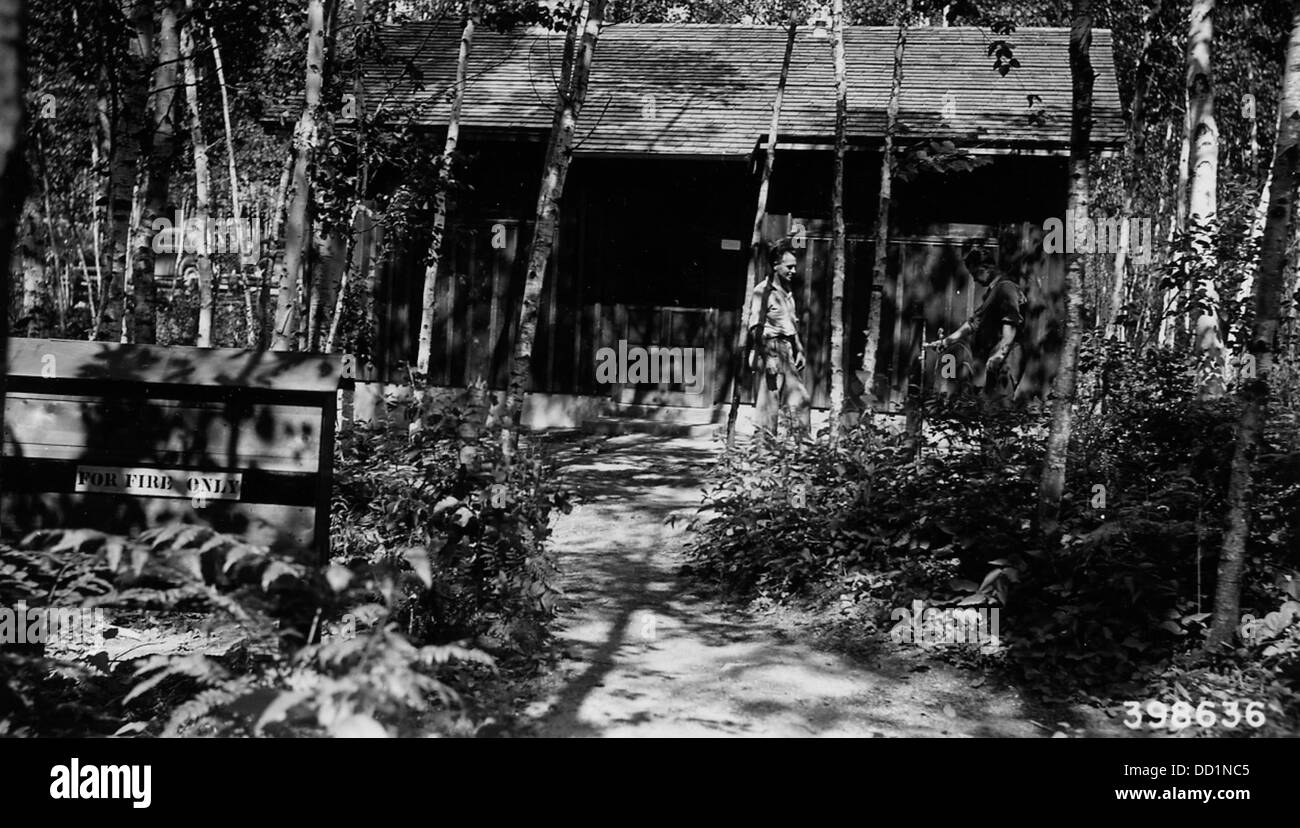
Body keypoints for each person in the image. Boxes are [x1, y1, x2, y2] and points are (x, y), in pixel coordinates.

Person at [924, 227, 1029, 401]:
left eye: (975, 273)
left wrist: (1000, 354)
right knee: (988, 408)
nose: (974, 279)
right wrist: (947, 341)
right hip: (997, 356)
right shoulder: (992, 293)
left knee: (999, 409)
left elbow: (1011, 323)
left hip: (1007, 356)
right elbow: (973, 323)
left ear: (986, 268)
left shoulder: (1006, 288)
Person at [747, 243, 812, 436]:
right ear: (775, 265)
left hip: (786, 349)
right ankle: (762, 452)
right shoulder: (763, 291)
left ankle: (803, 450)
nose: (794, 270)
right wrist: (767, 357)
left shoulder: (787, 292)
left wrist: (799, 348)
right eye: (789, 266)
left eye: (794, 266)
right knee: (769, 403)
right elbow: (755, 327)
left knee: (800, 400)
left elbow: (791, 324)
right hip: (771, 348)